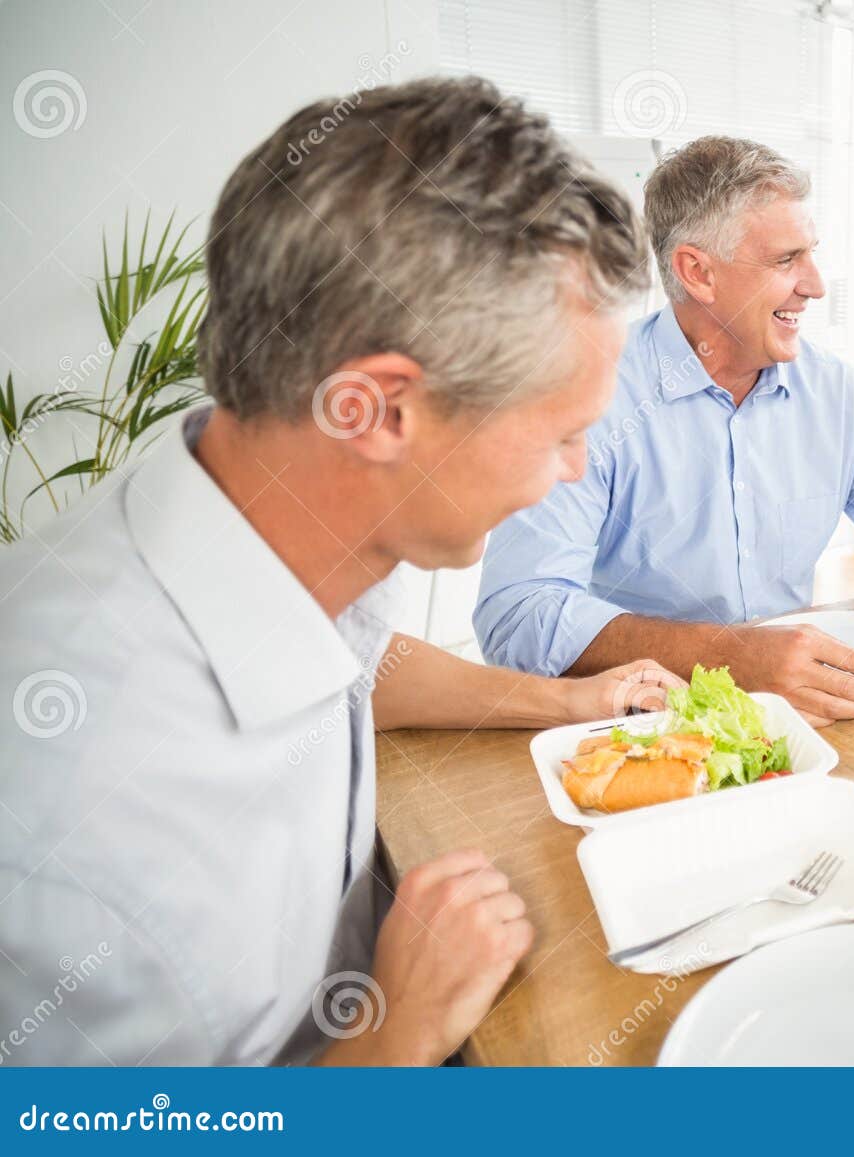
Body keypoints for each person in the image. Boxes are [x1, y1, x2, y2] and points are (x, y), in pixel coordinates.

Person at [0, 78, 680, 1066]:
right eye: (563, 433)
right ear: (378, 411)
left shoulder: (263, 507)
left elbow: (353, 664)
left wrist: (564, 701)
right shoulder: (80, 846)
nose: (578, 467)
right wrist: (393, 1026)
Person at [474, 135, 854, 727]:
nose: (815, 284)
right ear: (697, 272)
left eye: (811, 254)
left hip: (803, 715)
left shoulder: (840, 395)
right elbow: (519, 613)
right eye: (785, 260)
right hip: (643, 721)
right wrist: (727, 657)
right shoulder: (588, 395)